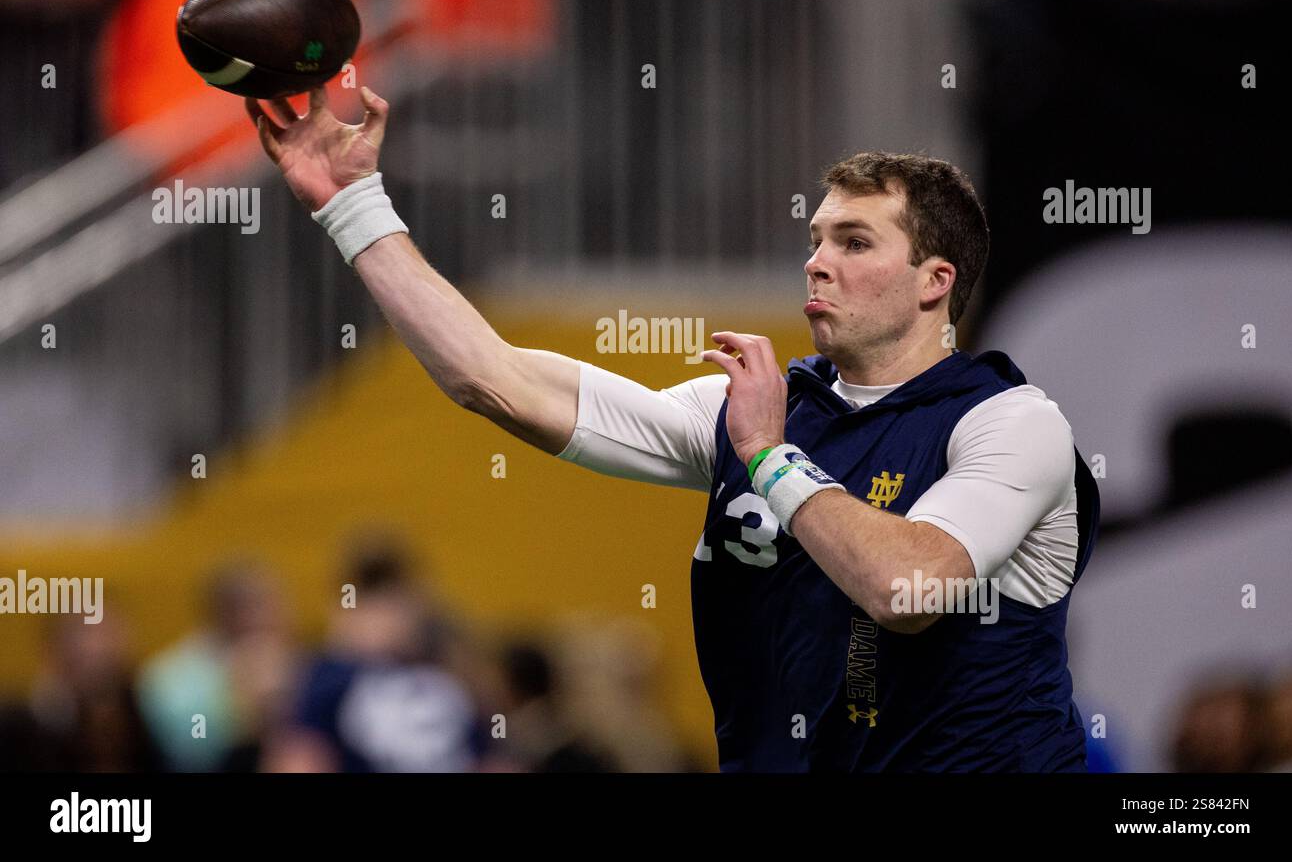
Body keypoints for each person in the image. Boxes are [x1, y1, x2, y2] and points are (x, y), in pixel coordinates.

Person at [244, 86, 1100, 771]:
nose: (816, 260)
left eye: (854, 240)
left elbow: (911, 591)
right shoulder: (756, 407)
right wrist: (353, 207)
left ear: (933, 281)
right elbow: (493, 380)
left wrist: (769, 456)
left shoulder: (1011, 423)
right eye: (814, 237)